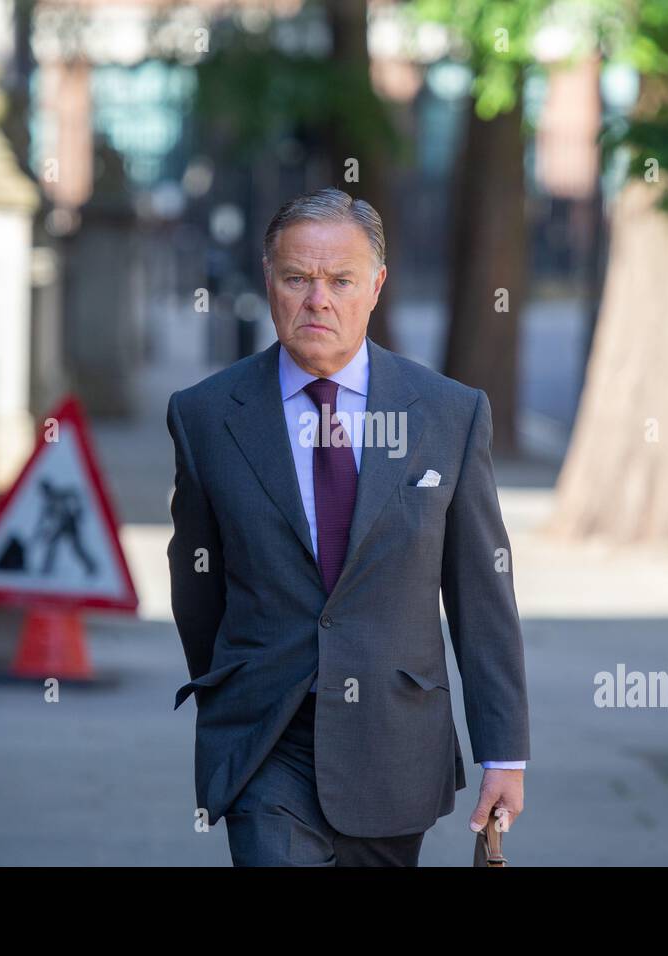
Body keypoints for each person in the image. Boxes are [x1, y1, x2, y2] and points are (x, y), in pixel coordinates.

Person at [167, 187, 530, 866]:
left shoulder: (449, 415)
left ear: (376, 287)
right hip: (267, 738)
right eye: (298, 278)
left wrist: (503, 753)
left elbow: (483, 594)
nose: (318, 300)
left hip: (393, 744)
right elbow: (197, 581)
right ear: (269, 280)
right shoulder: (206, 416)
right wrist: (231, 685)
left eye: (340, 280)